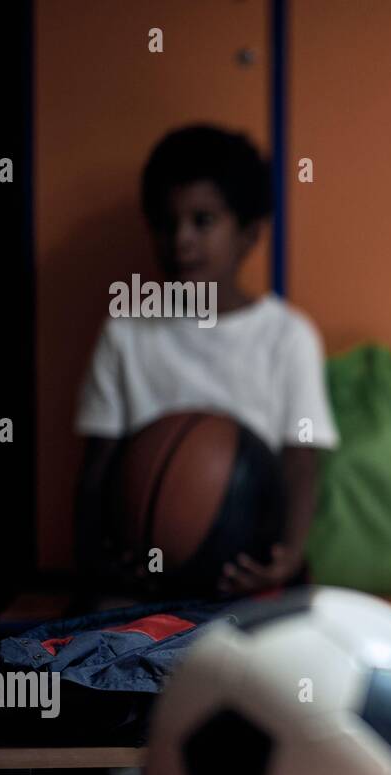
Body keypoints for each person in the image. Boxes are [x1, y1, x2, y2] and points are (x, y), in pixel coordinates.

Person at [74, 125, 338, 596]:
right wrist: (100, 560)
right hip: (146, 581)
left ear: (250, 233)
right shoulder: (125, 334)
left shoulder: (287, 336)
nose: (181, 240)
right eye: (165, 222)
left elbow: (302, 464)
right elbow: (97, 470)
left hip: (249, 573)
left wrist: (287, 559)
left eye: (203, 221)